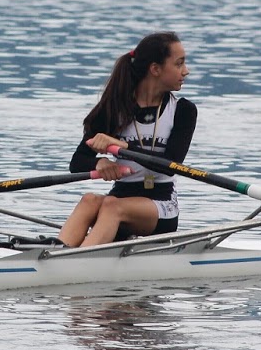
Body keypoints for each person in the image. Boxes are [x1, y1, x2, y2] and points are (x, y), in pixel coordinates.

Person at [58, 31, 196, 248]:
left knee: (112, 206)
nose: (185, 71)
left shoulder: (182, 110)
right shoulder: (114, 109)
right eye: (179, 64)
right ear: (155, 69)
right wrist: (99, 163)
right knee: (89, 200)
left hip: (160, 205)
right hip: (119, 197)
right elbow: (77, 162)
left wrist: (124, 147)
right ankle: (53, 254)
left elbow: (171, 165)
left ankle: (71, 264)